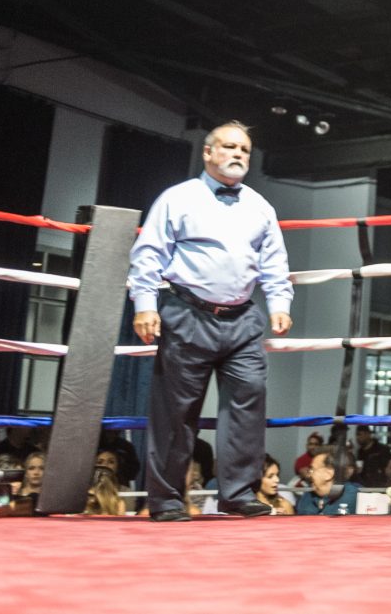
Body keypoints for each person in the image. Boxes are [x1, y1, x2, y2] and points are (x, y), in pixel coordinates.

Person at [129, 121, 294, 522]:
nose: (238, 155)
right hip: (188, 313)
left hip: (243, 318)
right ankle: (166, 499)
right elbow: (149, 253)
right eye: (230, 147)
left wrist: (279, 302)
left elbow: (274, 261)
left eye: (245, 150)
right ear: (208, 152)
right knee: (176, 411)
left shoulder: (259, 205)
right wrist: (144, 304)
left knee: (248, 402)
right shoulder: (178, 198)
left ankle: (238, 492)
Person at [296, 451, 359, 516]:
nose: (309, 475)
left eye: (312, 470)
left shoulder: (352, 497)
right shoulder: (307, 495)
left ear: (328, 474)